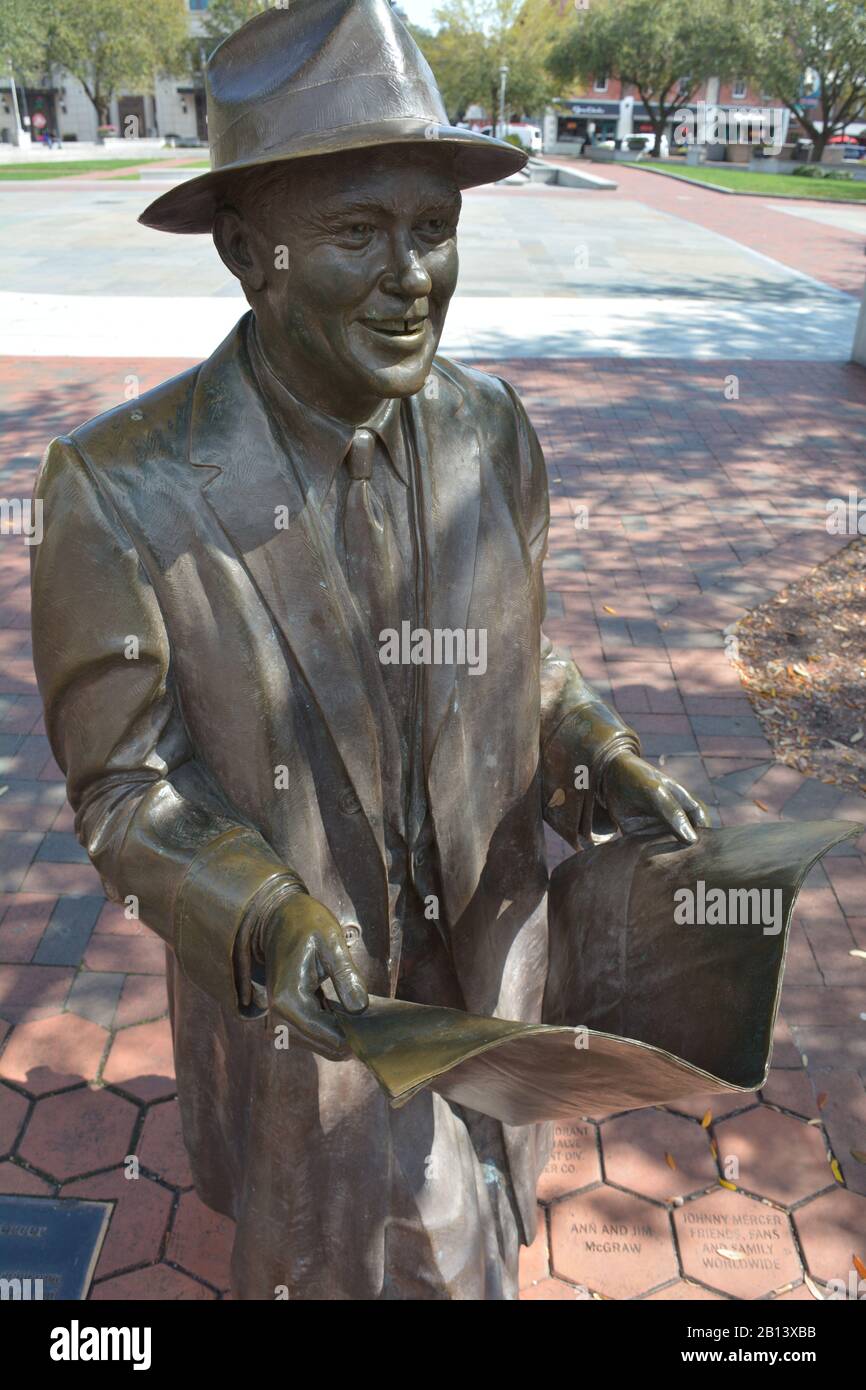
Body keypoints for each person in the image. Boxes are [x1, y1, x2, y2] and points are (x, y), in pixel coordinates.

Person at [31, 0, 708, 1300]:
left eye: (433, 232)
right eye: (358, 234)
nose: (411, 278)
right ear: (247, 249)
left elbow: (517, 659)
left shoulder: (491, 432)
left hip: (490, 981)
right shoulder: (120, 492)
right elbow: (124, 790)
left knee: (471, 1250)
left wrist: (598, 753)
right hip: (308, 1034)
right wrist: (264, 913)